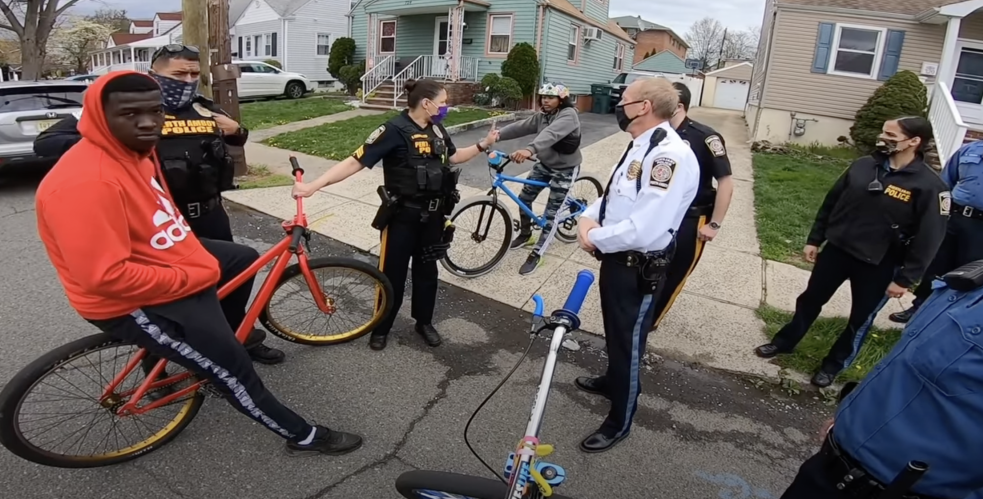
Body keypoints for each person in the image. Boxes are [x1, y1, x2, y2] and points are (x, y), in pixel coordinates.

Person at [34, 71, 362, 456]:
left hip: (164, 261)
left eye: (155, 111)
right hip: (129, 300)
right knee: (233, 370)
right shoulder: (86, 183)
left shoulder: (135, 154)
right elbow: (105, 277)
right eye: (129, 113)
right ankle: (302, 435)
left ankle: (217, 340)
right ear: (99, 117)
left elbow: (158, 215)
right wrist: (196, 274)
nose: (148, 122)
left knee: (241, 258)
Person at [780, 147, 983, 499]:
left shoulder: (928, 186)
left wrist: (905, 277)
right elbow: (911, 360)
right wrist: (853, 417)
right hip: (837, 460)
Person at [34, 45, 284, 365]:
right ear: (155, 74)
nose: (188, 80)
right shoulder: (131, 108)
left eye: (194, 74)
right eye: (179, 73)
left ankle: (237, 338)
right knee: (166, 300)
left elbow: (232, 143)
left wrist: (237, 131)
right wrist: (118, 139)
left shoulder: (204, 107)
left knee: (232, 278)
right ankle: (159, 364)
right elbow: (46, 143)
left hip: (210, 212)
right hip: (161, 222)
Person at [292, 78, 498, 351]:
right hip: (402, 218)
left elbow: (454, 156)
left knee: (428, 272)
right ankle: (382, 326)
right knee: (391, 275)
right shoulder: (392, 130)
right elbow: (355, 161)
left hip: (434, 218)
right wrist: (314, 186)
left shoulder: (437, 128)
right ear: (427, 103)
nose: (446, 107)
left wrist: (483, 144)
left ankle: (424, 322)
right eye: (443, 102)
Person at [754, 117, 950, 388]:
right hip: (838, 250)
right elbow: (831, 202)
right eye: (883, 132)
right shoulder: (863, 165)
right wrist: (815, 239)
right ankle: (784, 342)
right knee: (810, 300)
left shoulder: (930, 186)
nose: (883, 137)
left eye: (891, 135)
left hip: (880, 263)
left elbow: (930, 238)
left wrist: (906, 279)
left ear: (914, 141)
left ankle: (832, 366)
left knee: (860, 319)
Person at [573, 77, 700, 453]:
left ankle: (620, 421)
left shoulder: (668, 156)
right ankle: (613, 381)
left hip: (637, 266)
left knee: (628, 342)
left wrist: (594, 237)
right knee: (616, 333)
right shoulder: (641, 144)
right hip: (616, 260)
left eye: (624, 99)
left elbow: (646, 227)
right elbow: (615, 195)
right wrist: (588, 217)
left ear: (644, 106)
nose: (619, 105)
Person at [889, 108, 983, 324]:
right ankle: (919, 308)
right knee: (936, 265)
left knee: (971, 272)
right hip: (954, 218)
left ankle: (950, 317)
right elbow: (945, 183)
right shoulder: (970, 149)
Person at [650, 82, 735, 330]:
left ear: (678, 106)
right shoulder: (657, 134)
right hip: (659, 214)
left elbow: (726, 182)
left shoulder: (705, 137)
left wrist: (715, 224)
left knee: (674, 273)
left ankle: (650, 322)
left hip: (691, 219)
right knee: (650, 267)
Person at [493, 81, 583, 275]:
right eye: (543, 97)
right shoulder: (542, 116)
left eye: (550, 97)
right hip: (545, 164)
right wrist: (498, 135)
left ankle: (538, 253)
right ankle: (526, 234)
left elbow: (551, 134)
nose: (545, 101)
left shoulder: (569, 115)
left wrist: (529, 149)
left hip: (565, 169)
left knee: (551, 214)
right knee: (524, 198)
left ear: (561, 100)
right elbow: (522, 126)